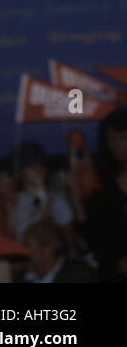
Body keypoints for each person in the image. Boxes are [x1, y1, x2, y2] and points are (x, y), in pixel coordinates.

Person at [81, 107, 127, 282]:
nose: (117, 145)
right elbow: (96, 238)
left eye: (123, 138)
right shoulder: (101, 186)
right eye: (112, 139)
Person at [20, 221, 97, 283]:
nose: (21, 252)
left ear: (48, 249)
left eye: (27, 245)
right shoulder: (23, 278)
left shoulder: (79, 276)